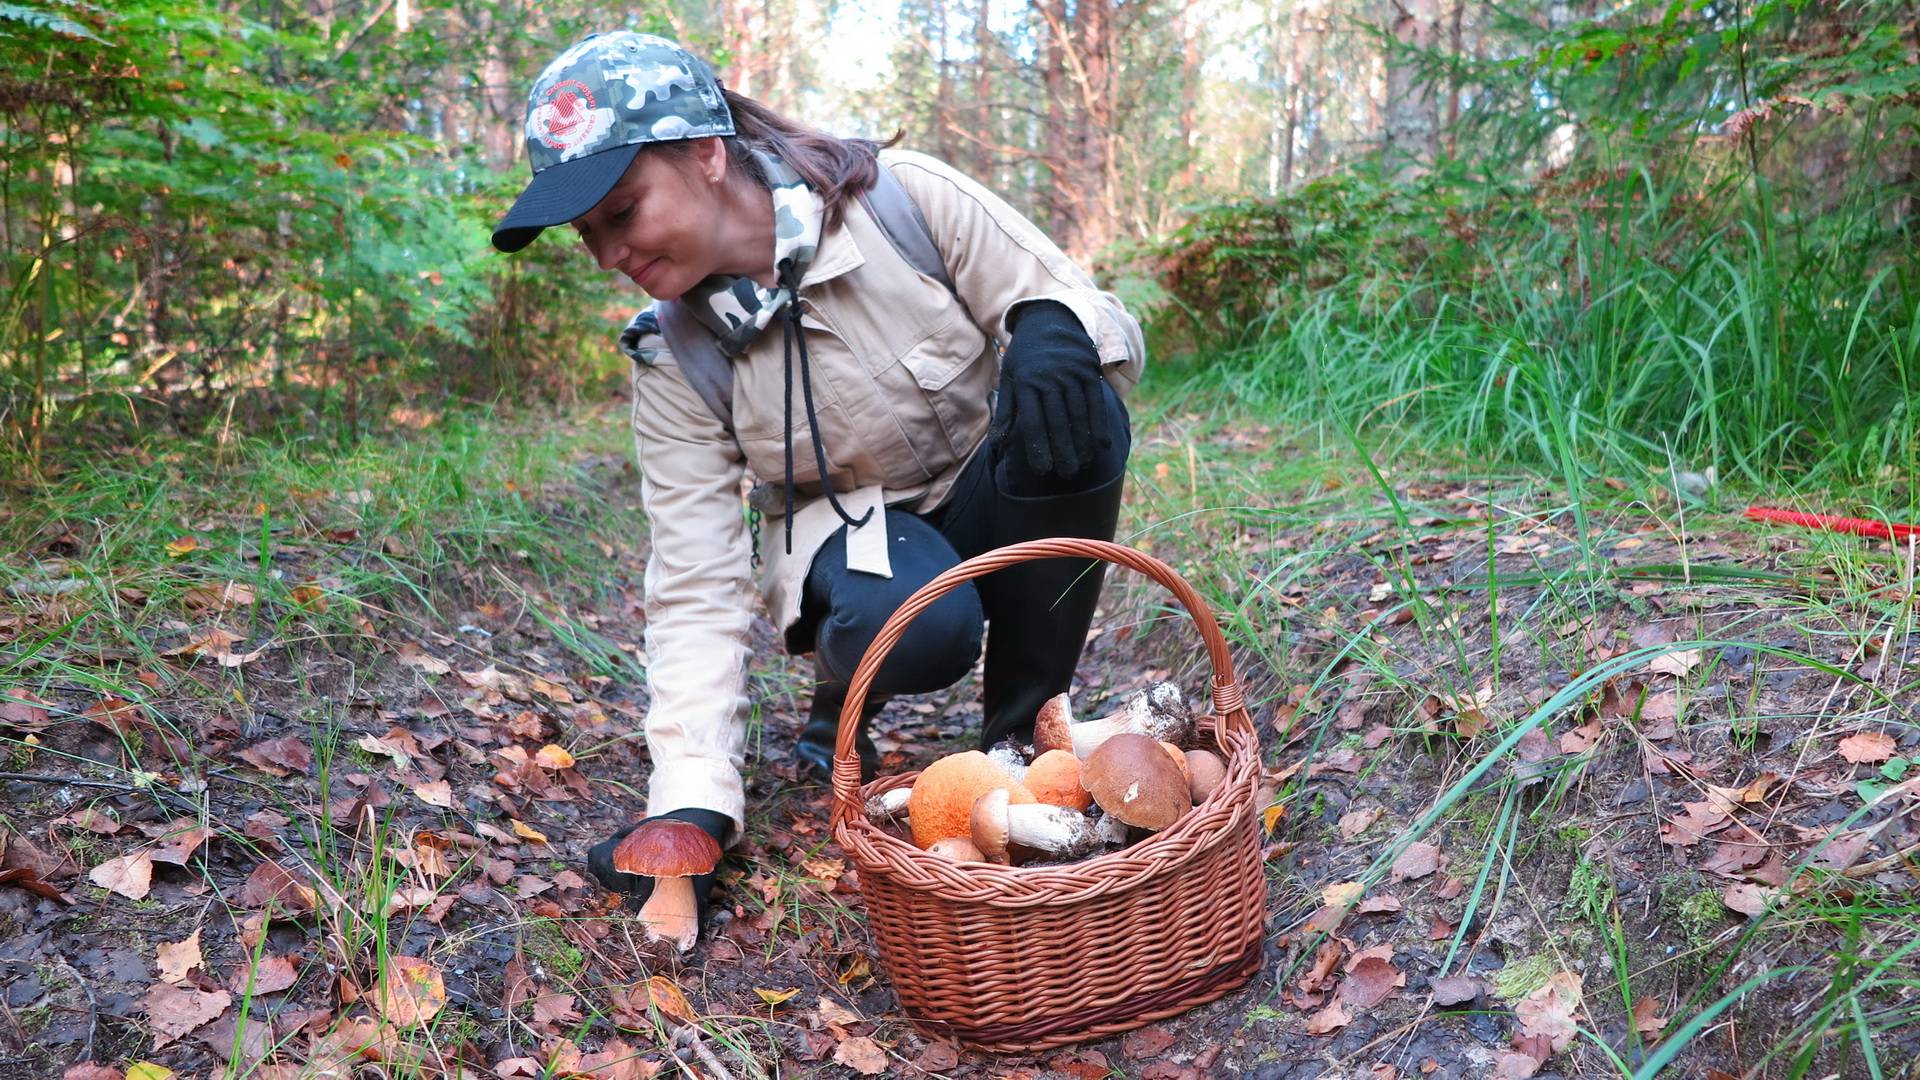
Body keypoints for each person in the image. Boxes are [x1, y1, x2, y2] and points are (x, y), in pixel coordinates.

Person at [490, 31, 1145, 934]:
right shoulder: (674, 356)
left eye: (622, 210)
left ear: (707, 154)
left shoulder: (906, 200)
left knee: (1078, 416)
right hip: (857, 539)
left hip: (991, 480)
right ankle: (848, 685)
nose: (606, 254)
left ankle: (1022, 749)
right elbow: (694, 583)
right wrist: (692, 799)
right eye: (587, 234)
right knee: (913, 622)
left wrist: (1051, 328)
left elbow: (1091, 313)